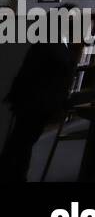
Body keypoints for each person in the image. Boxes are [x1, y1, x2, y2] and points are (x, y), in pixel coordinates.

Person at [0, 42, 77, 181]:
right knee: (21, 145)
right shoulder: (52, 46)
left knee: (20, 144)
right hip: (36, 104)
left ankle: (13, 175)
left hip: (37, 103)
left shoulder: (54, 45)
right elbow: (32, 75)